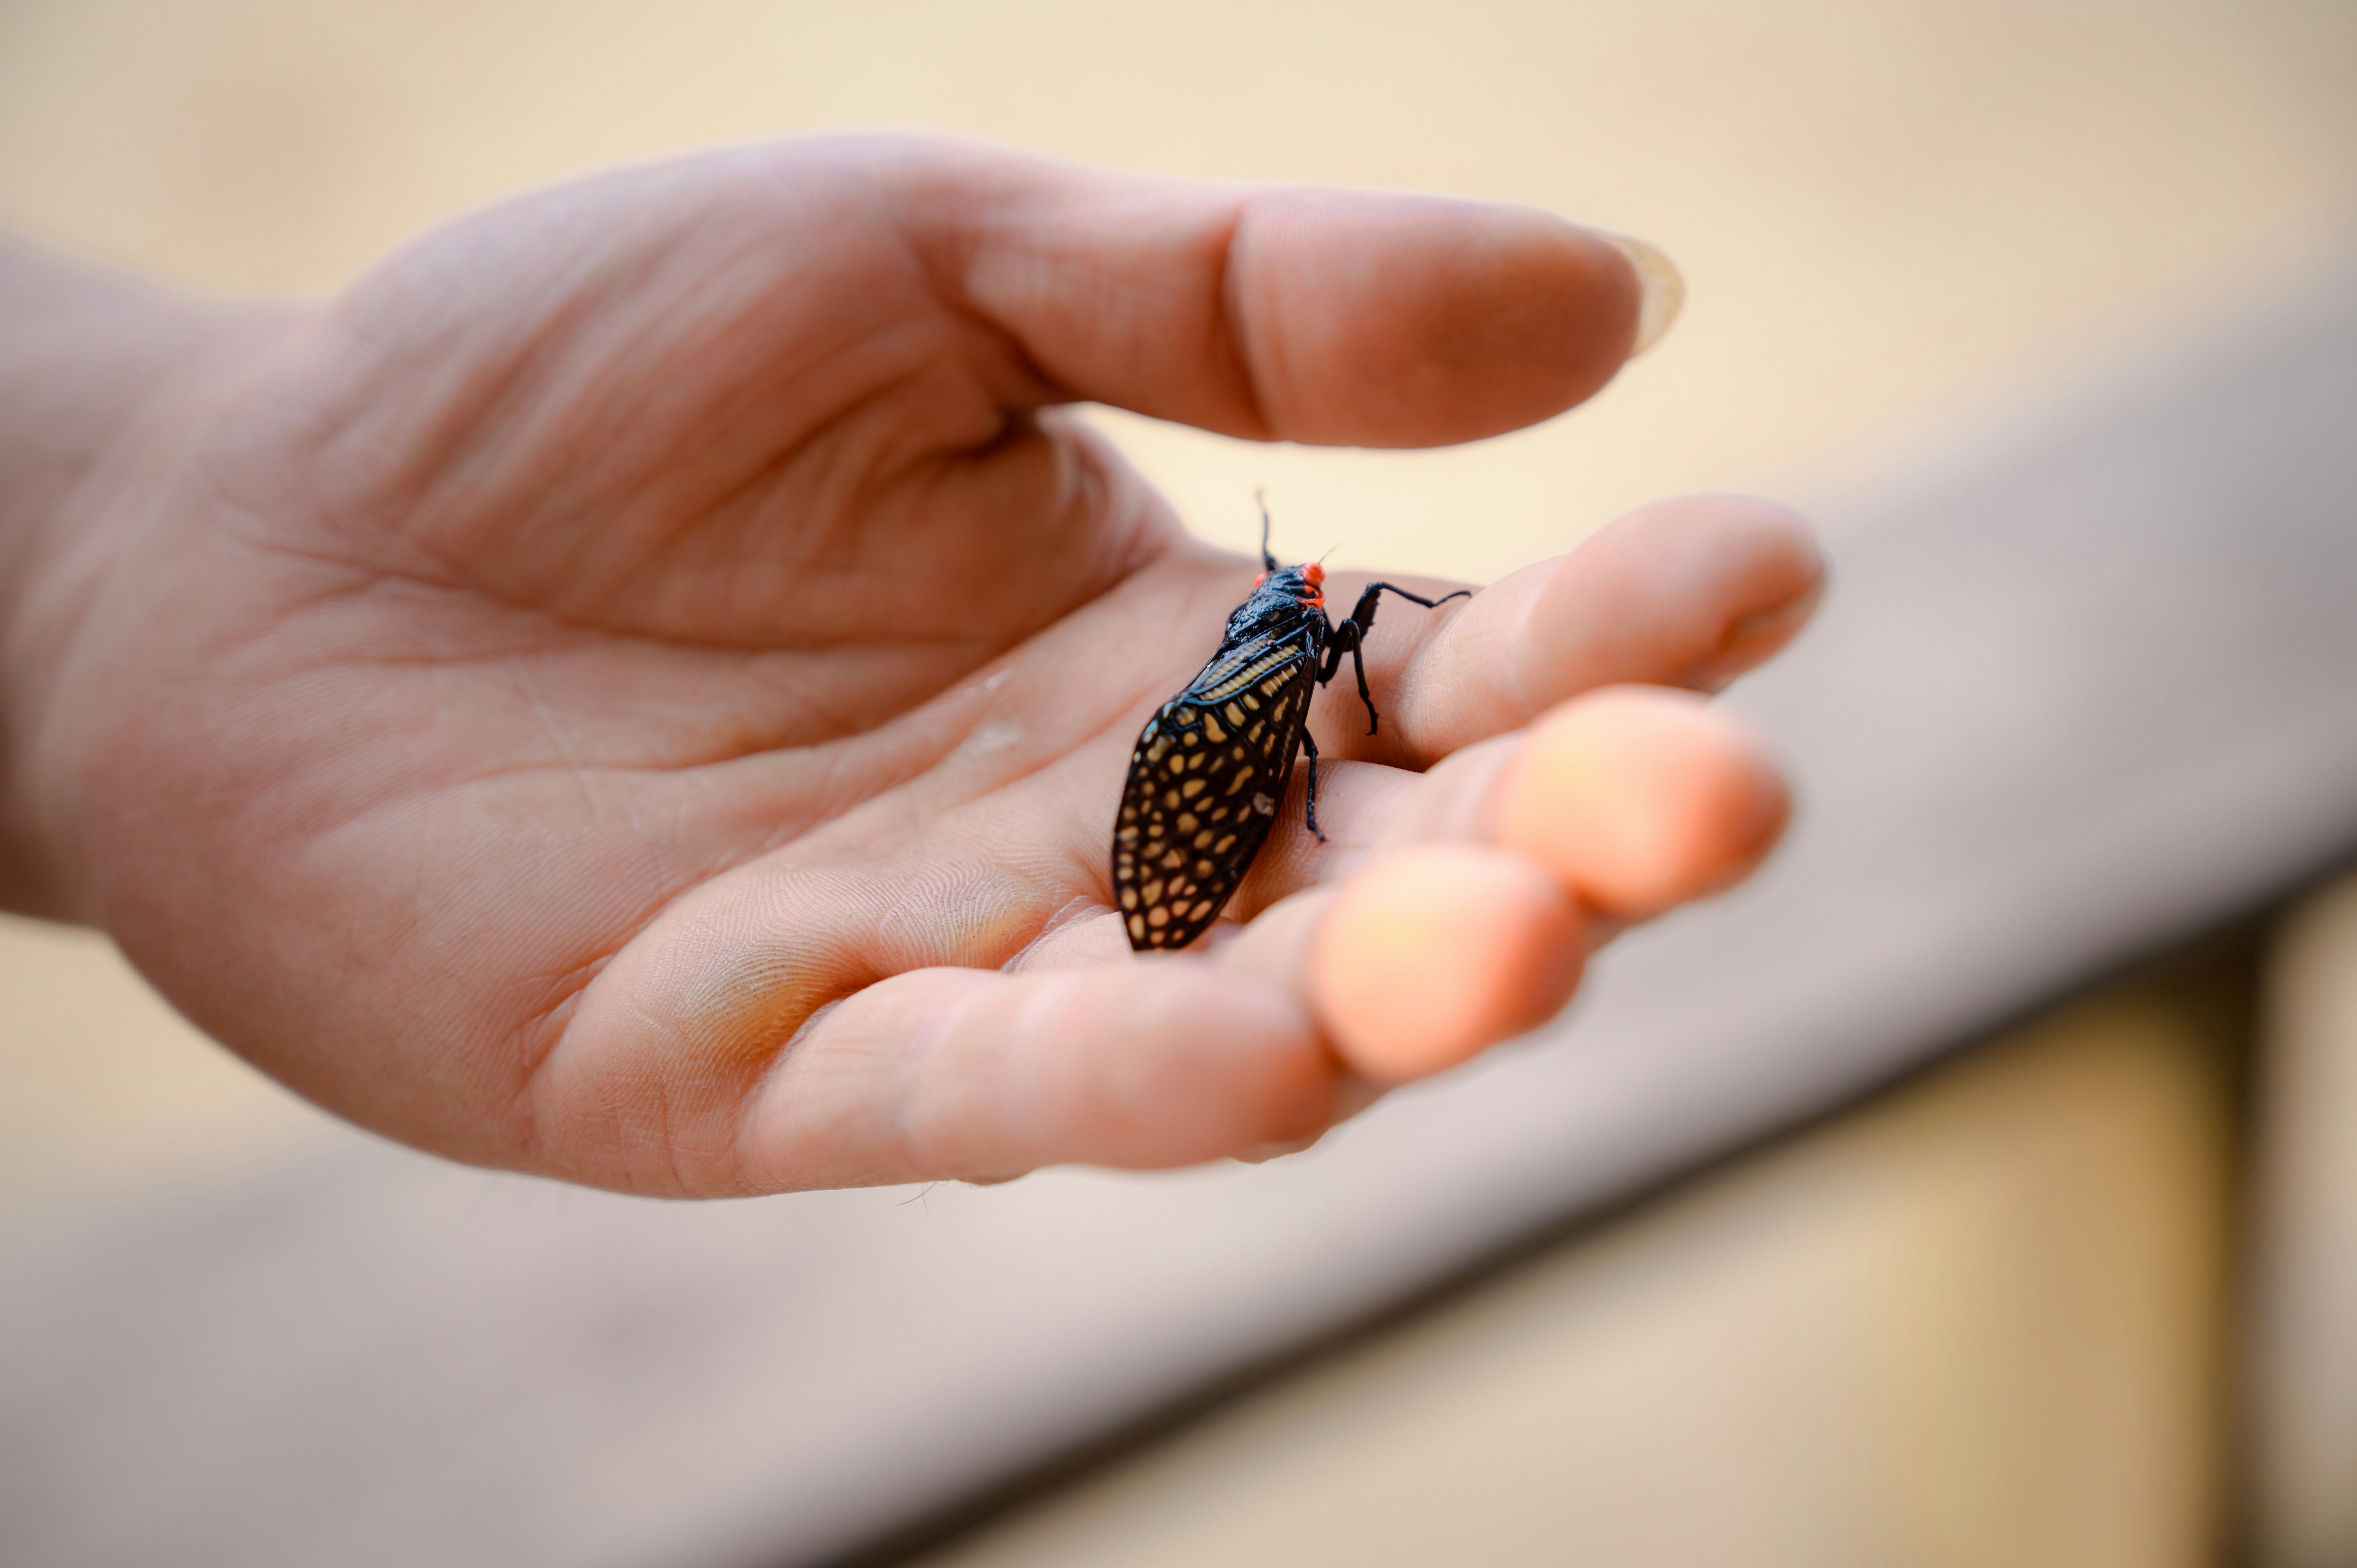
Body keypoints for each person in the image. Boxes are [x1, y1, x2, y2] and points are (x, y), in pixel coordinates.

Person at [0, 134, 1822, 1196]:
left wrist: (93, 576)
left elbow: (1285, 684)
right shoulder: (1285, 646)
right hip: (1225, 730)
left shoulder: (1266, 640)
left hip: (1215, 724)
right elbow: (1301, 693)